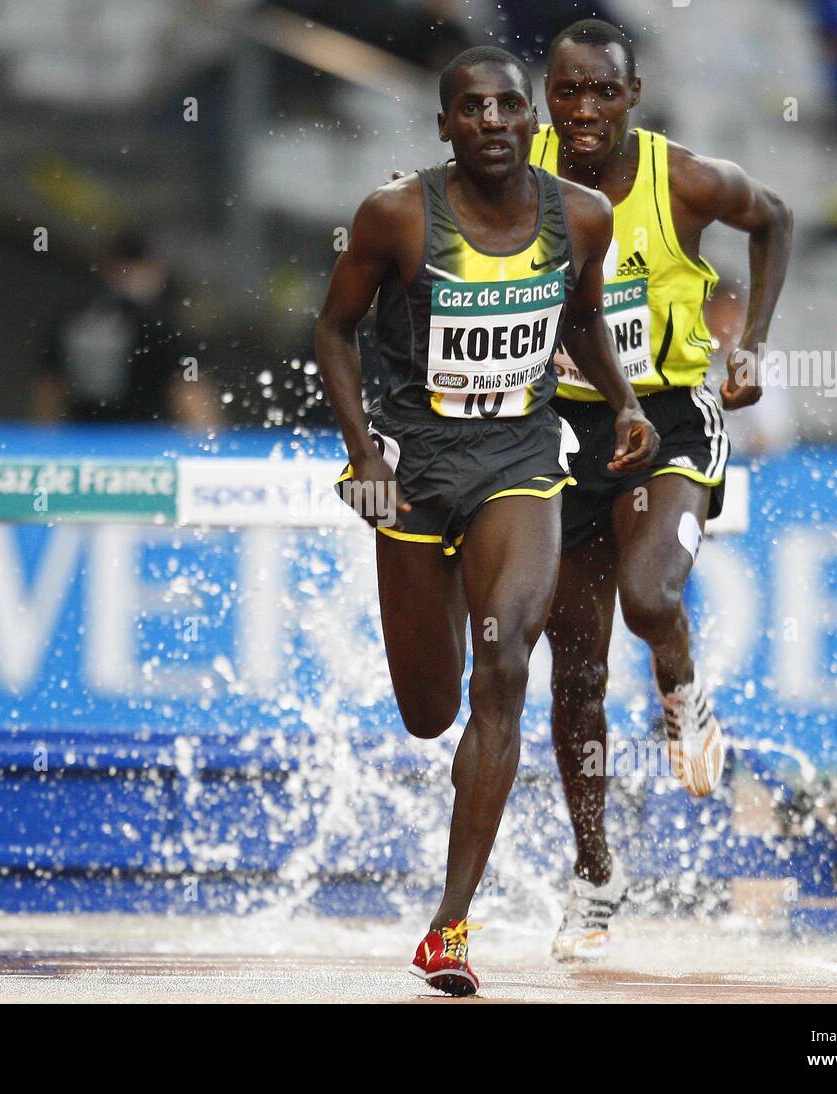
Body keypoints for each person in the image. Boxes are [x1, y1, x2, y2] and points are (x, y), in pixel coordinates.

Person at [315, 45, 657, 996]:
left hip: (519, 458)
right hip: (417, 466)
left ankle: (449, 927)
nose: (496, 122)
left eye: (510, 105)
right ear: (444, 126)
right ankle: (444, 723)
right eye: (474, 109)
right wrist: (364, 454)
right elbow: (332, 329)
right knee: (430, 713)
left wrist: (625, 402)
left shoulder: (580, 216)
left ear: (529, 119)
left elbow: (583, 321)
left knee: (503, 669)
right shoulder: (394, 215)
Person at [530, 20, 793, 961]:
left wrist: (750, 343)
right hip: (560, 432)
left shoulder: (683, 179)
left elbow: (777, 219)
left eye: (603, 91)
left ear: (633, 94)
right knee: (575, 676)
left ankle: (682, 694)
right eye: (568, 91)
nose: (585, 110)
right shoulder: (513, 173)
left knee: (649, 598)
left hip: (670, 414)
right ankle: (595, 873)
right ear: (545, 97)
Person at [31, 231, 219, 428]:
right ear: (155, 267)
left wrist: (45, 445)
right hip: (140, 443)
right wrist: (209, 447)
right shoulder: (159, 323)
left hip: (82, 441)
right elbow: (190, 391)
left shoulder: (72, 316)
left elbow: (49, 392)